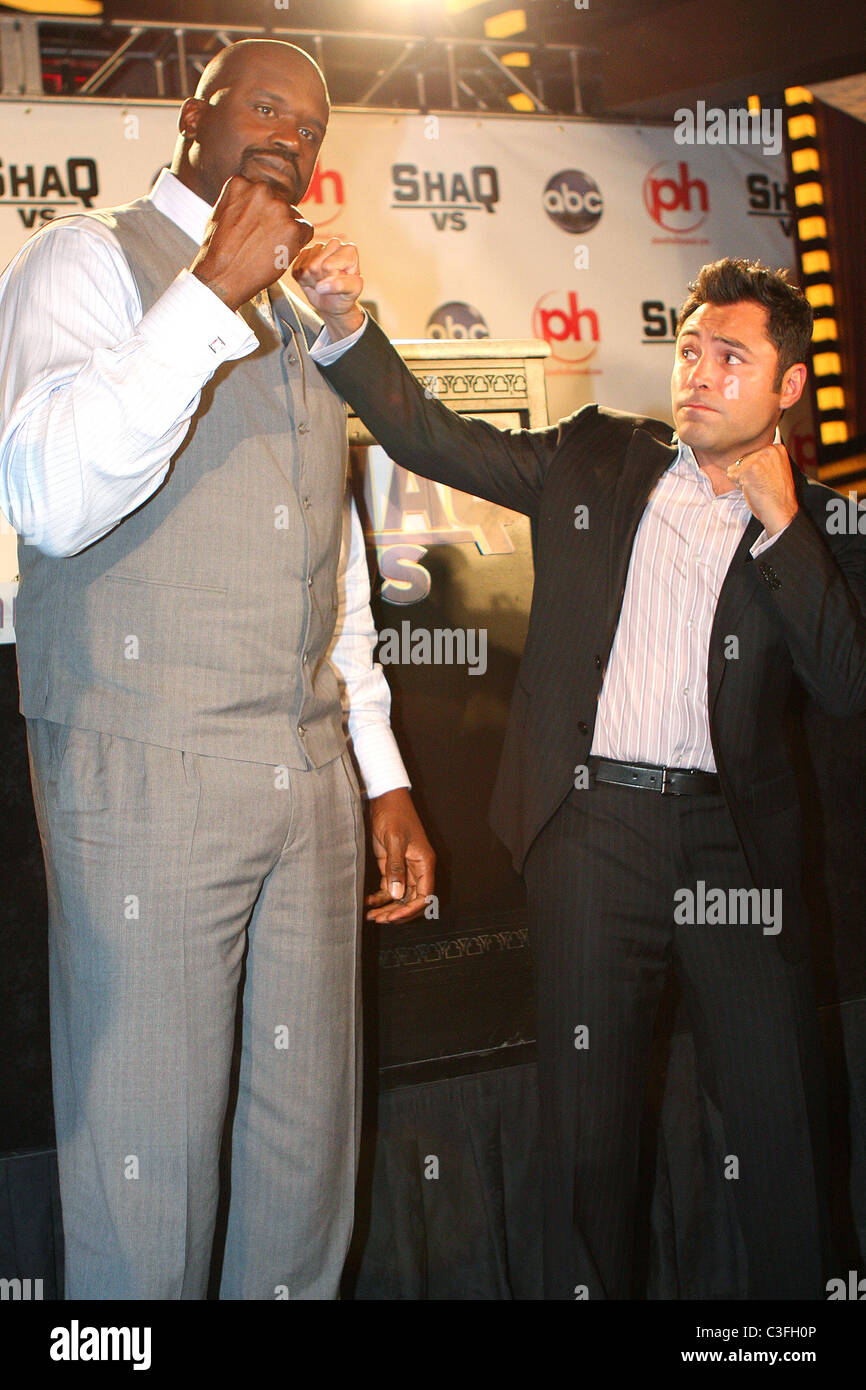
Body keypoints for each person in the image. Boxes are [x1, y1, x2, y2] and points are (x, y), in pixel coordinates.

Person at [295, 242, 866, 1299]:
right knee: (585, 1143)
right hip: (595, 835)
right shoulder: (598, 457)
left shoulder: (824, 525)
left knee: (780, 1127)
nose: (696, 371)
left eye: (729, 358)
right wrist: (341, 318)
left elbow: (845, 685)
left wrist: (783, 519)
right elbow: (430, 435)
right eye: (689, 349)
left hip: (732, 848)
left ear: (787, 385)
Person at [0, 39, 435, 1300]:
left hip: (305, 776)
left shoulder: (306, 311)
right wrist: (206, 294)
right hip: (147, 762)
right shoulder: (84, 259)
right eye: (261, 106)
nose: (287, 136)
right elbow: (46, 494)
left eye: (308, 122)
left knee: (307, 1166)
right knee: (148, 1169)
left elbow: (333, 568)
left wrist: (382, 773)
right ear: (190, 117)